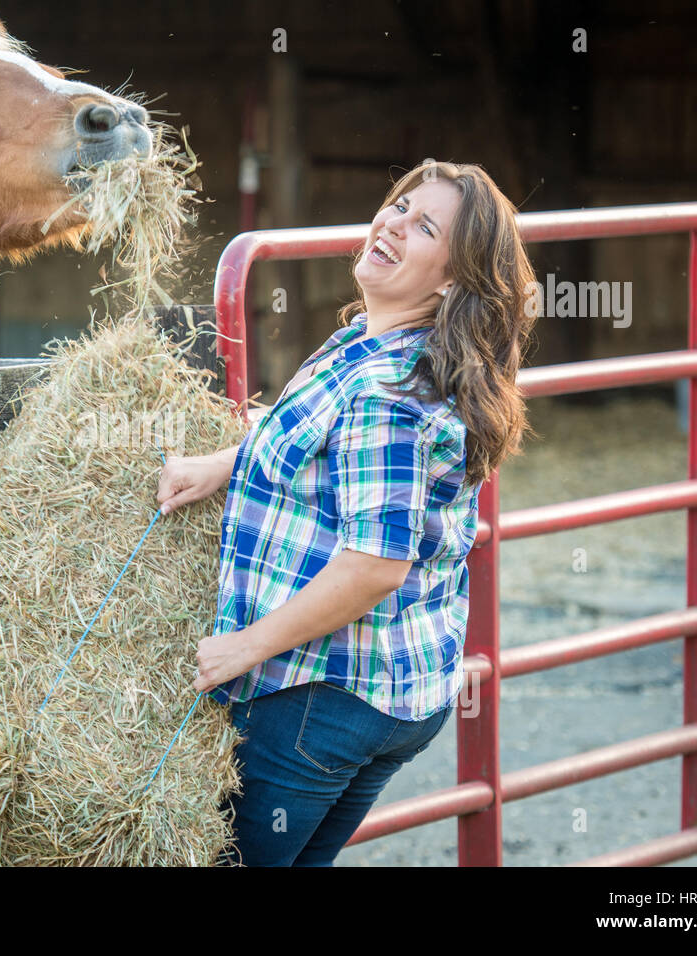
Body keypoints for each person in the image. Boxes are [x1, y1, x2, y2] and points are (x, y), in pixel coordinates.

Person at [156, 161, 536, 866]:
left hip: (319, 697)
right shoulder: (381, 343)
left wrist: (246, 647)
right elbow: (320, 443)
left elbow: (374, 566)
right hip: (393, 692)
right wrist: (227, 463)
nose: (393, 222)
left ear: (453, 278)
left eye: (425, 226)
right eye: (399, 205)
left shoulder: (390, 393)